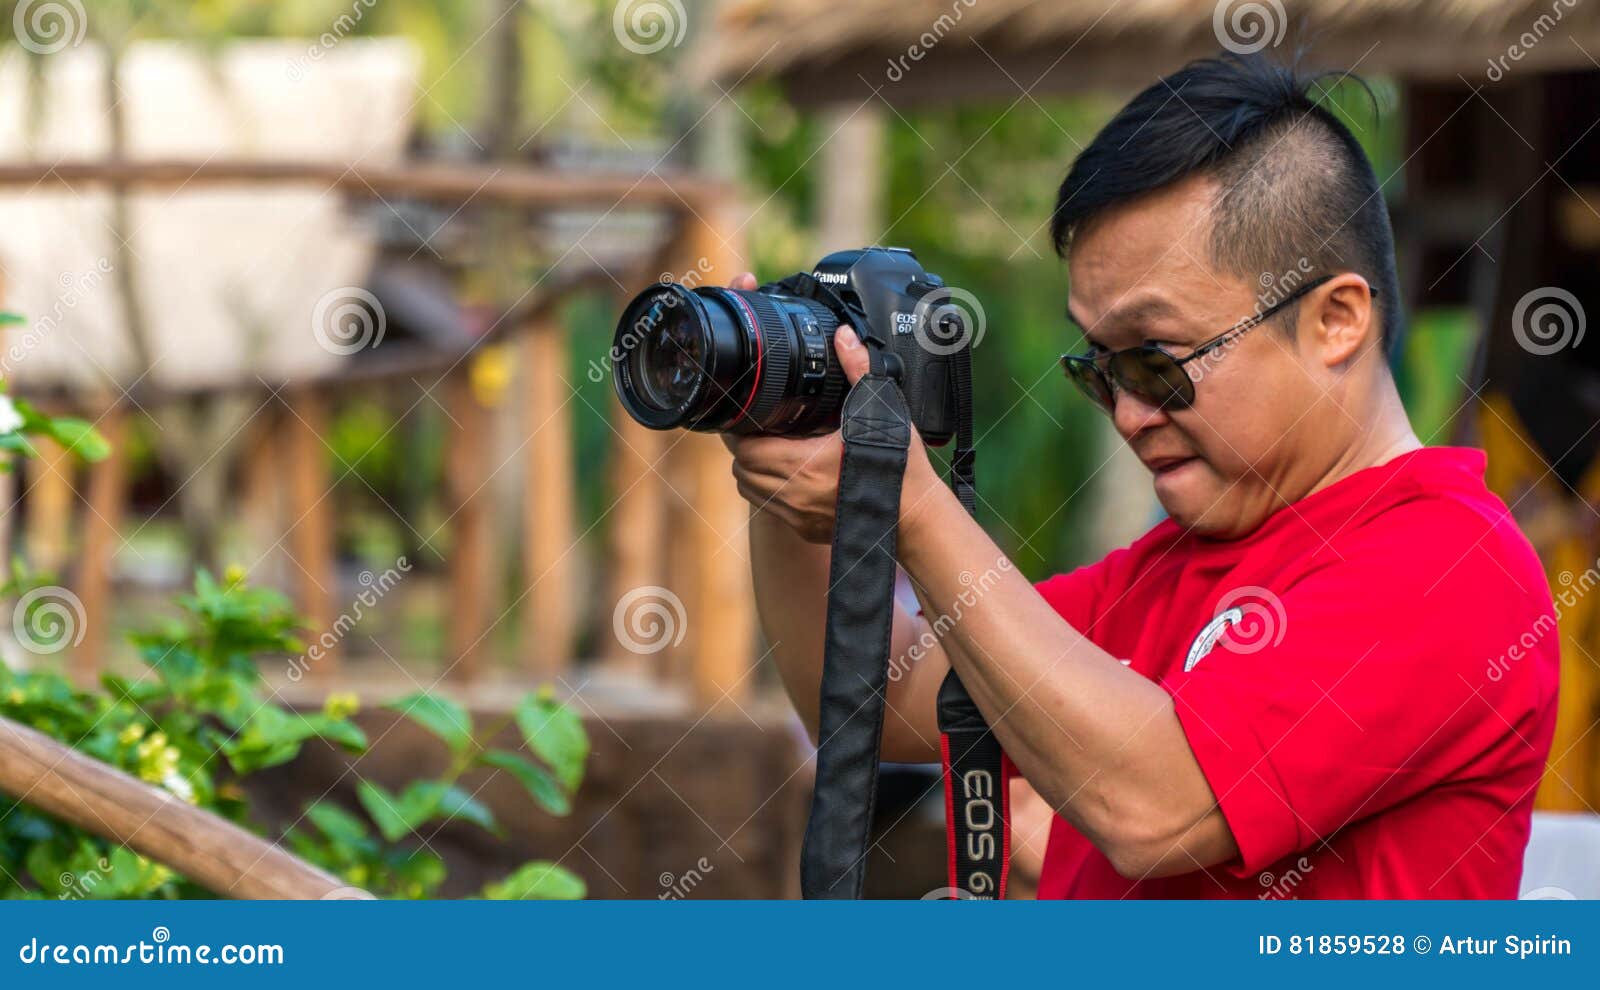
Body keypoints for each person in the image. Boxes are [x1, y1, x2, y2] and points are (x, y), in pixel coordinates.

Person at [723, 52, 1559, 898]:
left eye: (1157, 362)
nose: (1128, 415)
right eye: (1102, 369)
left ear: (1335, 319)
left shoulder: (1452, 567)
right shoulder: (1176, 564)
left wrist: (918, 510)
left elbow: (1155, 807)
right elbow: (877, 700)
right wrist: (792, 428)